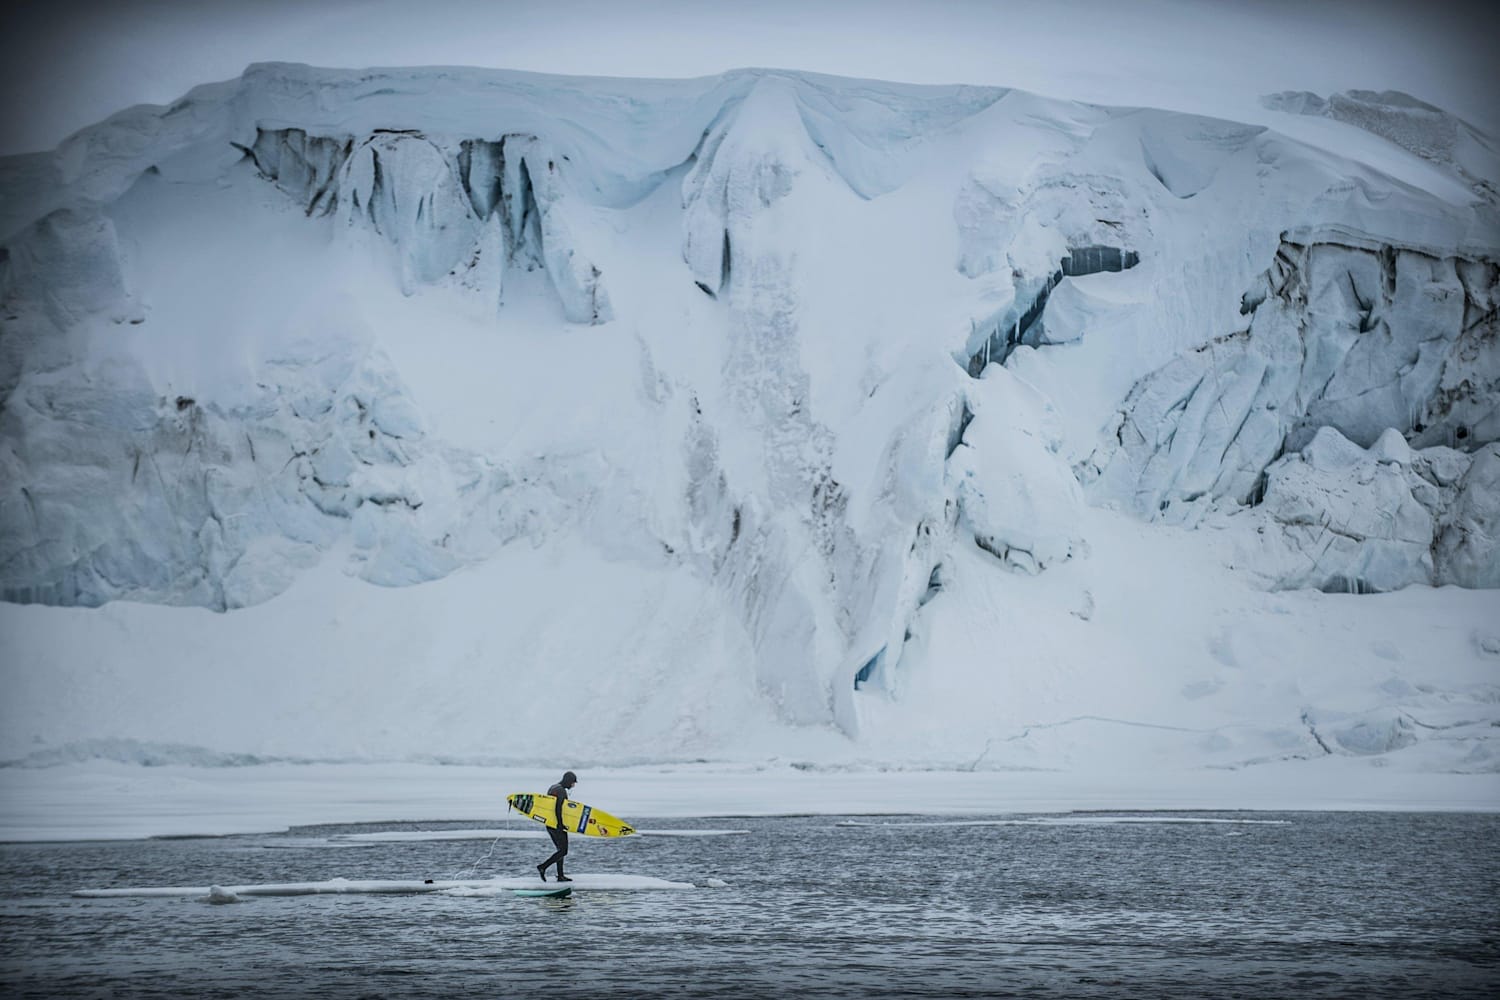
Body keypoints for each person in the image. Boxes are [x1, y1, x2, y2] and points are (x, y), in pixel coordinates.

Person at [537, 770, 578, 882]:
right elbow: (558, 809)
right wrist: (560, 824)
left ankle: (560, 875)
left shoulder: (553, 787)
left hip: (549, 823)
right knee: (563, 851)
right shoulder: (561, 791)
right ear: (568, 781)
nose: (573, 785)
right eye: (573, 783)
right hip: (557, 824)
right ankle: (543, 867)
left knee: (560, 850)